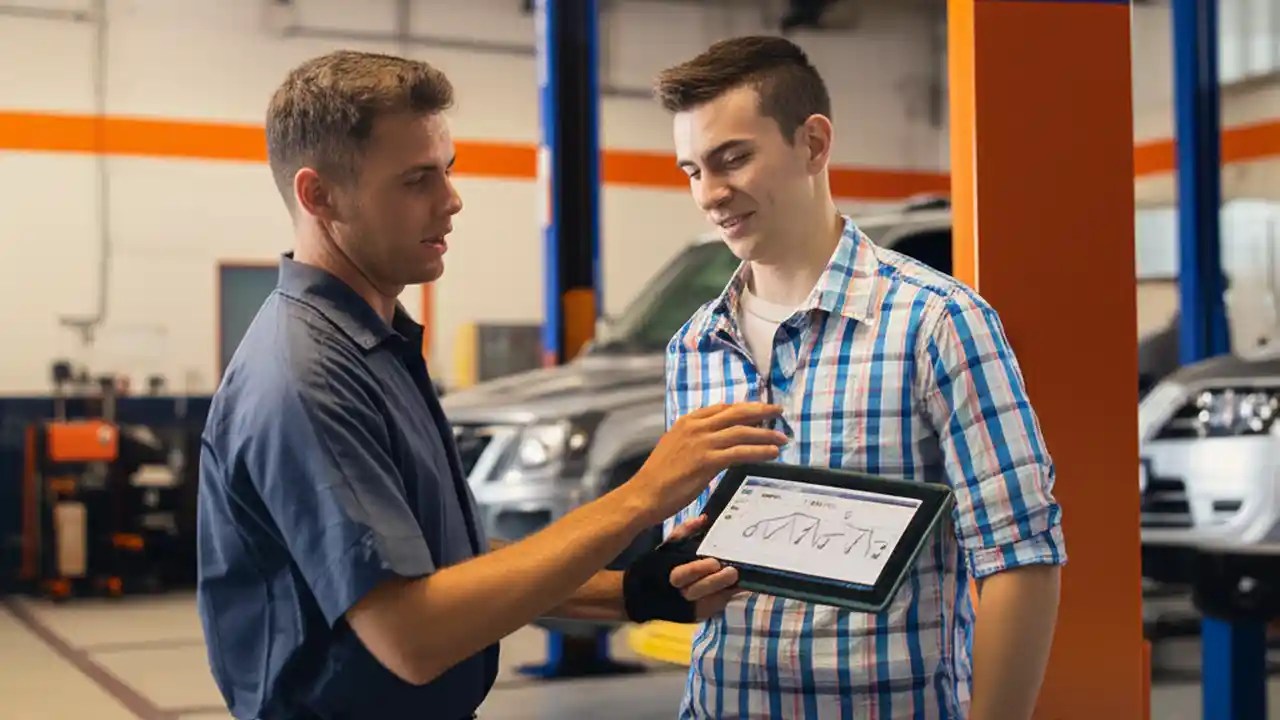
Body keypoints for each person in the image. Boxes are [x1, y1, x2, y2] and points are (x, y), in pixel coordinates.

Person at [195, 49, 789, 720]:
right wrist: (642, 496)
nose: (451, 200)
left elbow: (450, 562)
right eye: (417, 179)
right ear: (319, 195)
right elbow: (413, 636)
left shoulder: (374, 346)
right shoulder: (306, 378)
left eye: (446, 171)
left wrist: (632, 592)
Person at [650, 36, 1067, 719]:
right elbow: (696, 558)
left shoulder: (938, 323)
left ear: (813, 144)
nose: (710, 194)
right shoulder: (694, 349)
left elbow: (1021, 555)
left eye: (733, 159)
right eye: (692, 170)